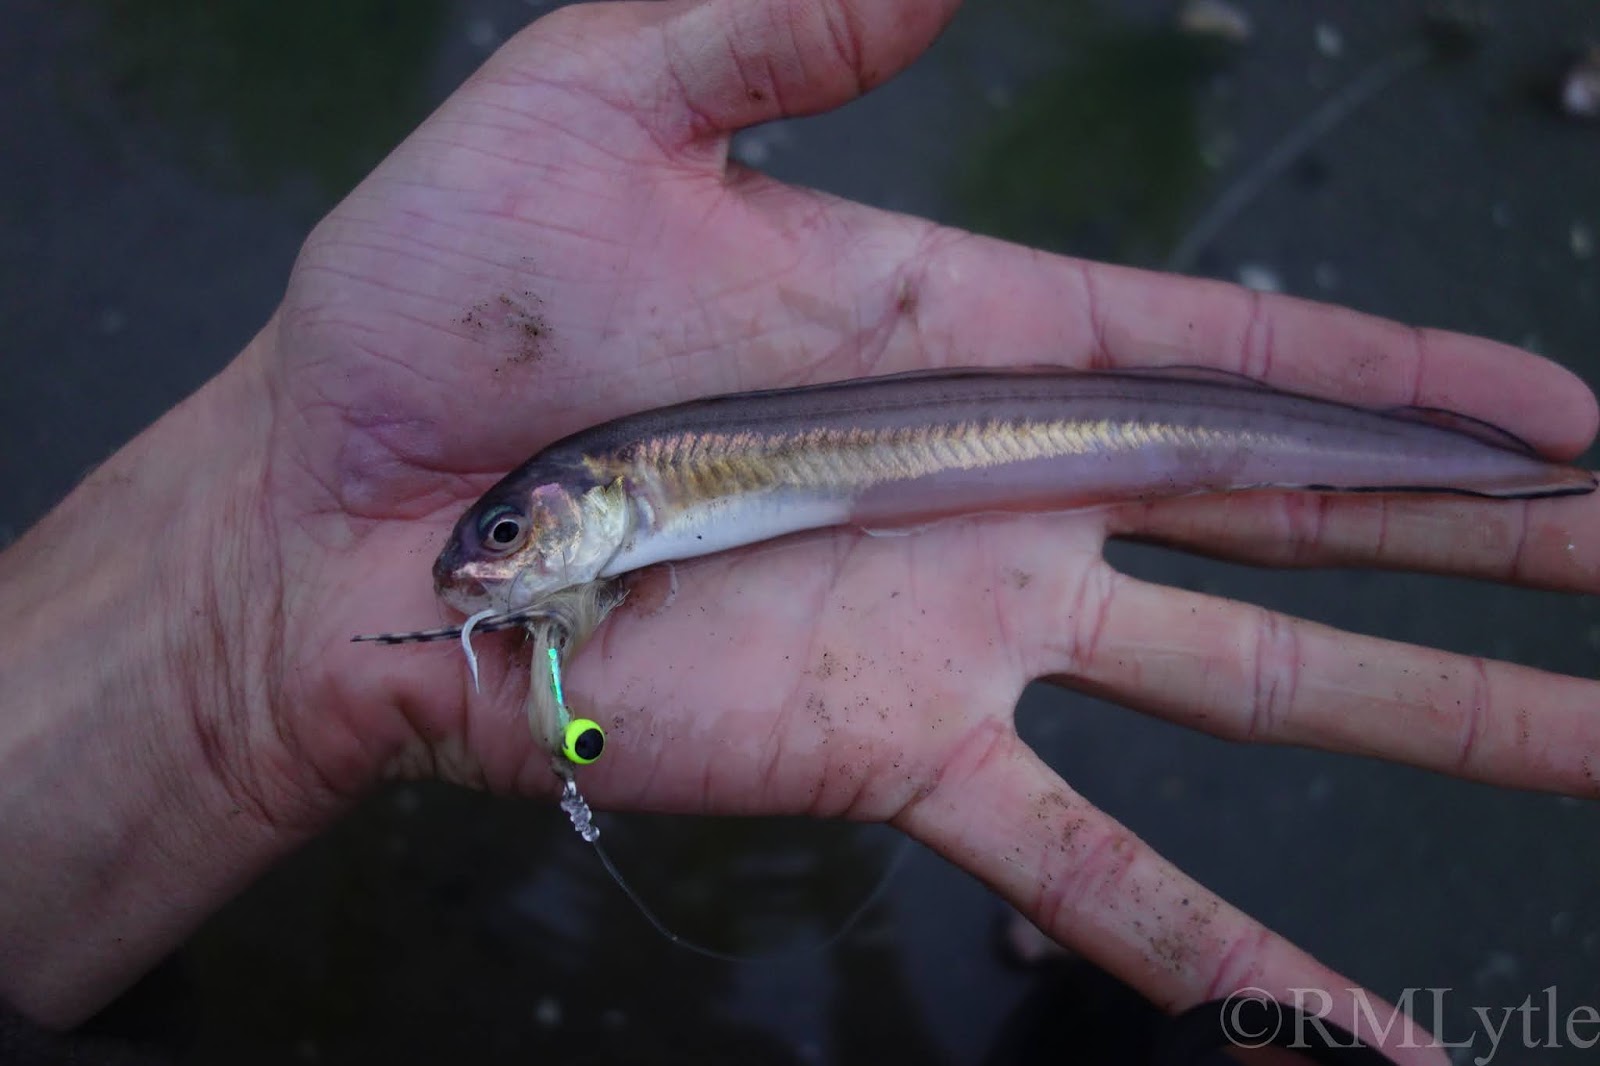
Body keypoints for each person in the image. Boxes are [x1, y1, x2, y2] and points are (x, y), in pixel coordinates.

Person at [0, 2, 1594, 1061]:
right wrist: (234, 623)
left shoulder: (629, 491)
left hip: (1082, 415)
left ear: (582, 508)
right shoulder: (608, 515)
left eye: (501, 537)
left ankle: (1478, 461)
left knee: (1253, 435)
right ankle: (1483, 463)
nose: (479, 565)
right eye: (490, 551)